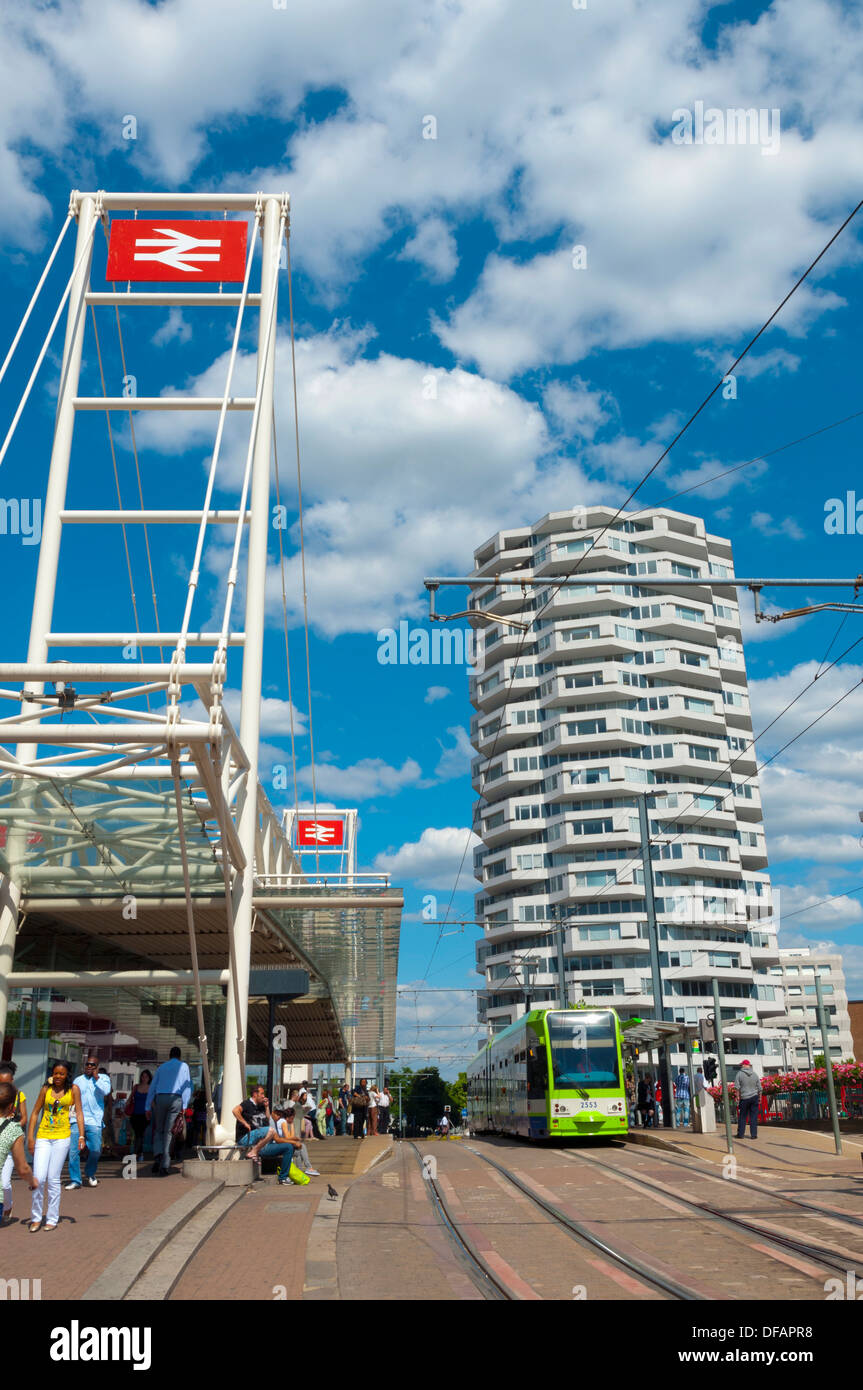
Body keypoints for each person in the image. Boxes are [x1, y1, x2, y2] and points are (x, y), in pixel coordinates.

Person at [27, 1060, 86, 1232]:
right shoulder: (46, 1089)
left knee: (53, 1178)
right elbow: (35, 1113)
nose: (58, 1076)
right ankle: (36, 1218)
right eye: (55, 1073)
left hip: (62, 1137)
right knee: (38, 1177)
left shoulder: (73, 1090)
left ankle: (52, 1218)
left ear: (67, 1074)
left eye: (62, 1073)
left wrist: (81, 1135)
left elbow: (79, 1113)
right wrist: (30, 1138)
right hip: (44, 1136)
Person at [65, 1053, 111, 1190]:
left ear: (97, 1067)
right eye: (87, 1064)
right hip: (76, 1119)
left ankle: (90, 1173)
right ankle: (75, 1180)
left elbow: (106, 1091)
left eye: (93, 1065)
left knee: (96, 1150)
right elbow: (71, 1098)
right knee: (73, 1151)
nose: (89, 1067)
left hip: (94, 1120)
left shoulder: (104, 1079)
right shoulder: (78, 1080)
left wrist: (97, 1077)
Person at [146, 1046, 192, 1175]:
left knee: (159, 1129)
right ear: (179, 1056)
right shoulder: (184, 1066)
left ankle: (157, 1155)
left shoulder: (161, 1067)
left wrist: (147, 1106)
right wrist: (184, 1105)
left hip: (160, 1098)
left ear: (169, 1056)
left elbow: (152, 1087)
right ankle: (165, 1165)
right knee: (169, 1132)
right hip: (175, 1099)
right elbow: (187, 1087)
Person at [0, 1080, 38, 1223]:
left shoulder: (13, 1129)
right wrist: (32, 1181)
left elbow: (25, 1117)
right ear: (11, 1106)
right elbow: (22, 1168)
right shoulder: (13, 1130)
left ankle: (7, 1207)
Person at [0, 1062, 28, 1225]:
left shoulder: (19, 1095)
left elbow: (24, 1117)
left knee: (4, 1182)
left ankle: (8, 1207)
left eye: (7, 1082)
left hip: (11, 1142)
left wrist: (15, 1127)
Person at [232, 1084, 280, 1161]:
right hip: (245, 1137)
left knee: (273, 1135)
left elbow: (268, 1119)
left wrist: (267, 1107)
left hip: (256, 1136)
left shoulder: (260, 1106)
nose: (263, 1096)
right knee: (271, 1131)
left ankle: (255, 1153)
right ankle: (254, 1151)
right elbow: (235, 1110)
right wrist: (245, 1123)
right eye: (261, 1094)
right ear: (255, 1094)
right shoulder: (247, 1104)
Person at [272, 1103, 320, 1177]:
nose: (293, 1119)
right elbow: (288, 1137)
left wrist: (293, 1130)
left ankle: (300, 1171)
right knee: (301, 1146)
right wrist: (292, 1127)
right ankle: (308, 1168)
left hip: (280, 1144)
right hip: (279, 1145)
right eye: (293, 1117)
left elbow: (291, 1136)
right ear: (290, 1117)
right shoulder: (283, 1122)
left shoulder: (282, 1121)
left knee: (298, 1151)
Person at [128, 1069, 152, 1161]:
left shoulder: (151, 1088)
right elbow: (130, 1098)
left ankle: (136, 1153)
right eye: (142, 1076)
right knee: (138, 1134)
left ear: (149, 1078)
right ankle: (139, 1153)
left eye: (146, 1076)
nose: (144, 1078)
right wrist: (125, 1109)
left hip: (145, 1114)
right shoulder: (136, 1087)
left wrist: (157, 1111)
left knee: (140, 1134)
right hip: (135, 1114)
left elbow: (152, 1101)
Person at [735, 1059, 762, 1140]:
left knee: (742, 1117)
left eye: (741, 1065)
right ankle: (753, 1135)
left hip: (744, 1098)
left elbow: (737, 1087)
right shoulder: (755, 1074)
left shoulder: (739, 1074)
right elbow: (760, 1088)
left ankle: (740, 1134)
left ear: (744, 1065)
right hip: (754, 1098)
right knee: (753, 1117)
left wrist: (737, 1097)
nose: (740, 1066)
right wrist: (760, 1097)